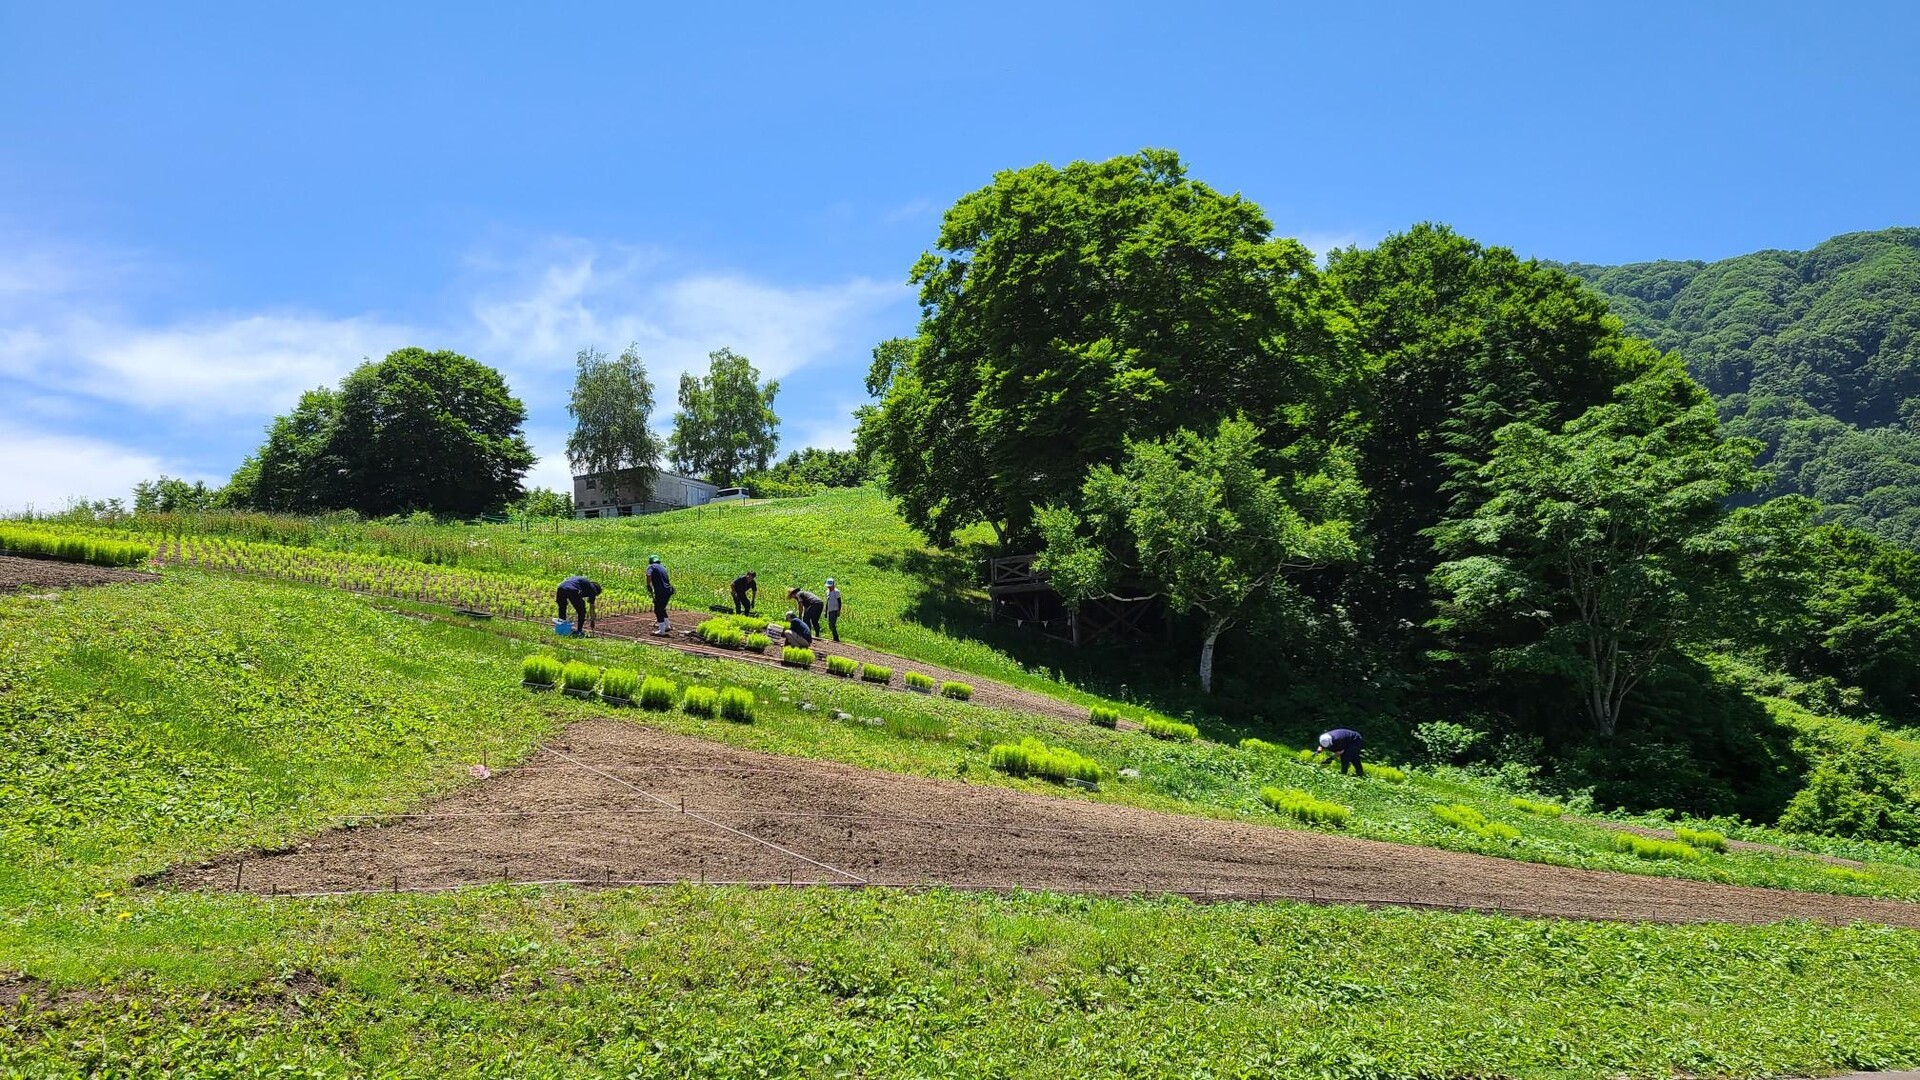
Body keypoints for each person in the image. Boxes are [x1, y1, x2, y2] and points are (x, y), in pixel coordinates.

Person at [645, 554, 673, 636]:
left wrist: (648, 585)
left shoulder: (651, 567)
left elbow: (648, 576)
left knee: (658, 609)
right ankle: (667, 626)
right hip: (668, 590)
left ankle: (661, 630)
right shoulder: (663, 567)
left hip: (661, 591)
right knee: (661, 608)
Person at [824, 578, 844, 642]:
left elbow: (839, 602)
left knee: (832, 624)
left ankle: (836, 638)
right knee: (830, 625)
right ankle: (834, 637)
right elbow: (827, 601)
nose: (829, 587)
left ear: (833, 585)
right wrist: (825, 610)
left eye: (830, 586)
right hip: (830, 610)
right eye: (828, 586)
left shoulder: (836, 592)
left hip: (835, 610)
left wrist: (839, 610)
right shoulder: (827, 592)